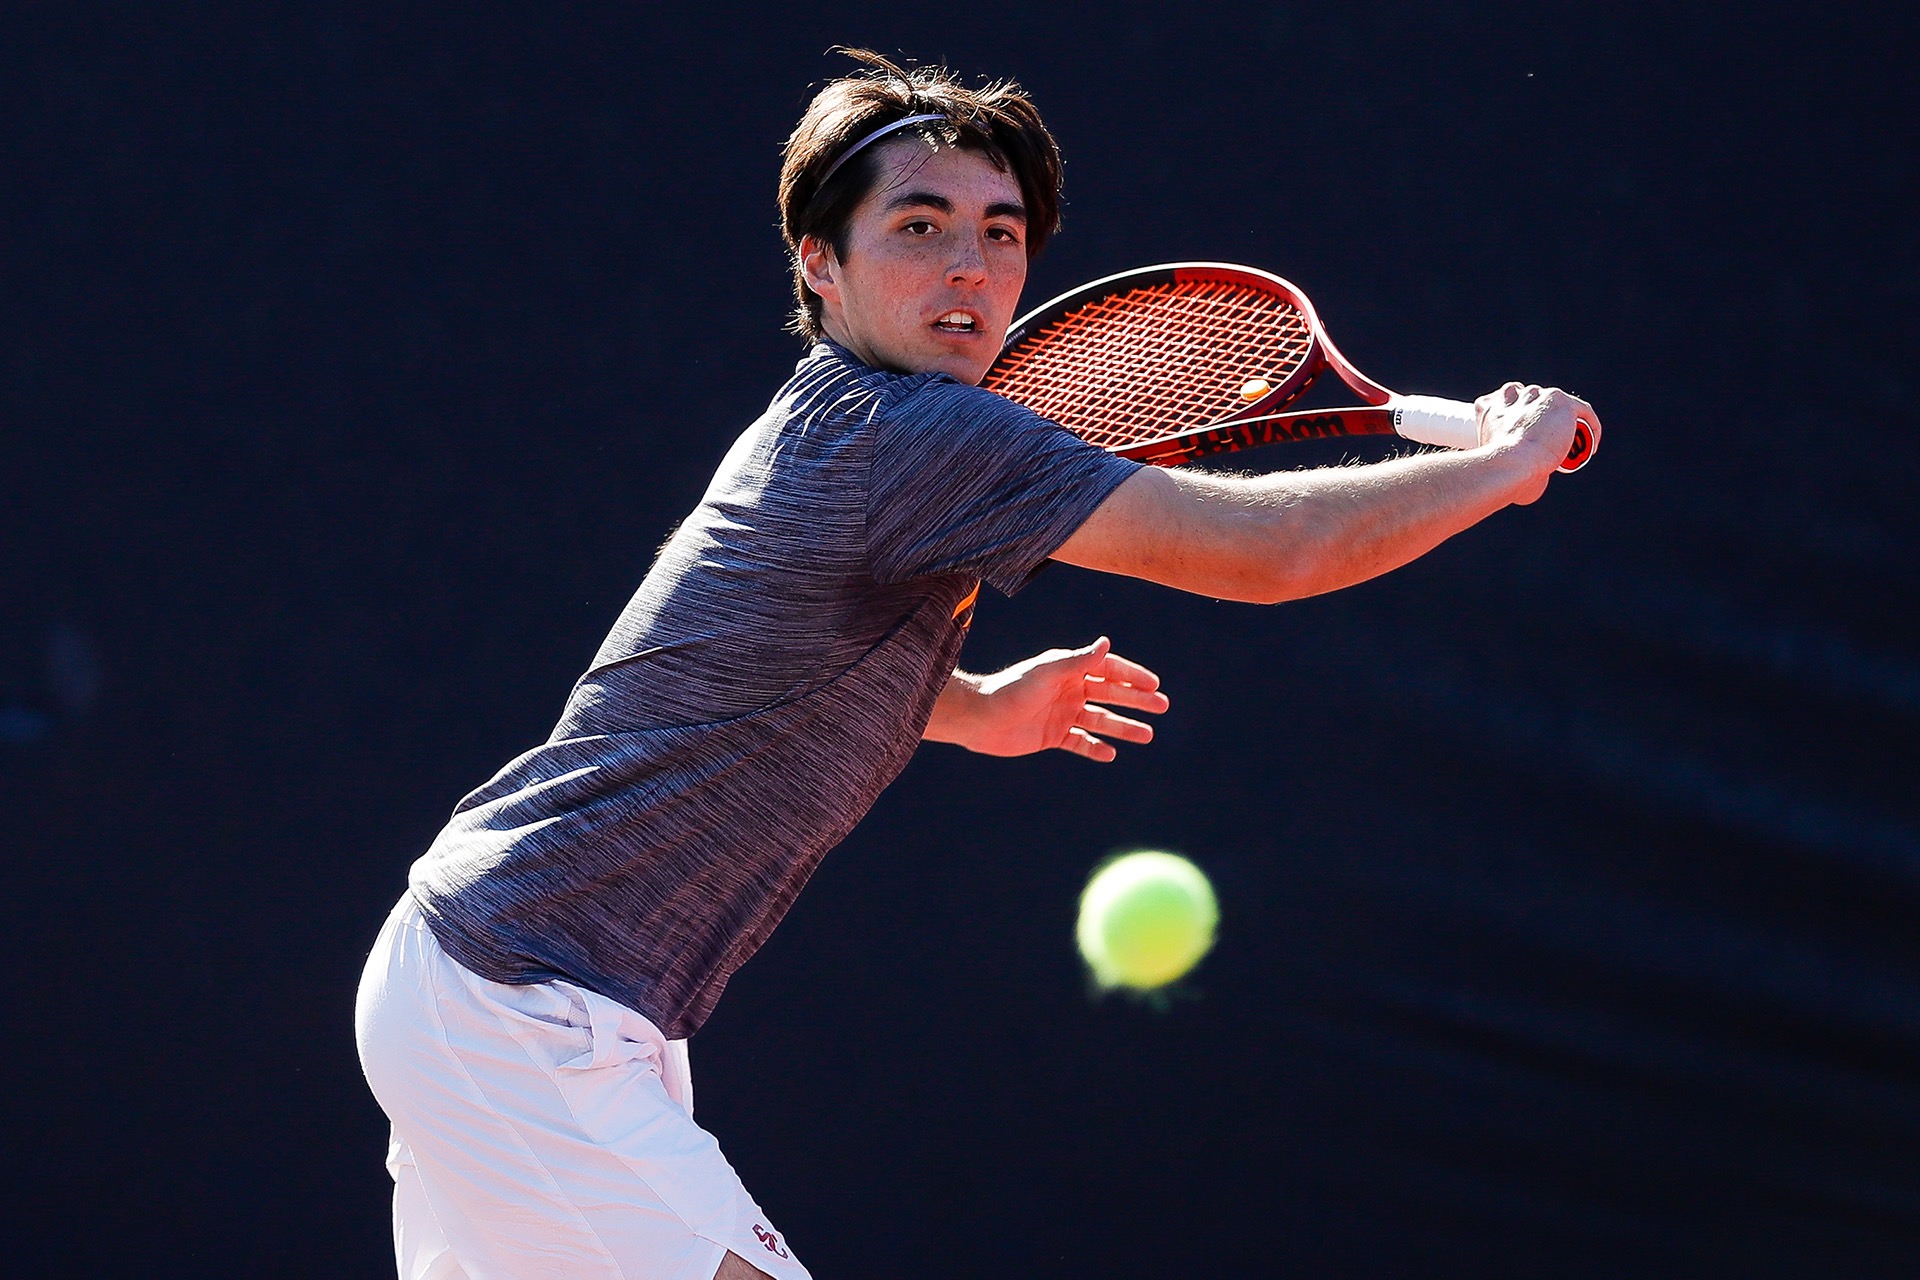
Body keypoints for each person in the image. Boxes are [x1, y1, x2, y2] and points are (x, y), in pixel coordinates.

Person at [354, 49, 1594, 1280]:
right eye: (920, 223)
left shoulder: (832, 416)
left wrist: (966, 704)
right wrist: (1498, 466)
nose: (971, 268)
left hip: (505, 985)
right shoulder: (915, 432)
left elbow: (745, 673)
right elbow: (1268, 552)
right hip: (524, 1002)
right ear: (820, 267)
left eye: (1002, 235)